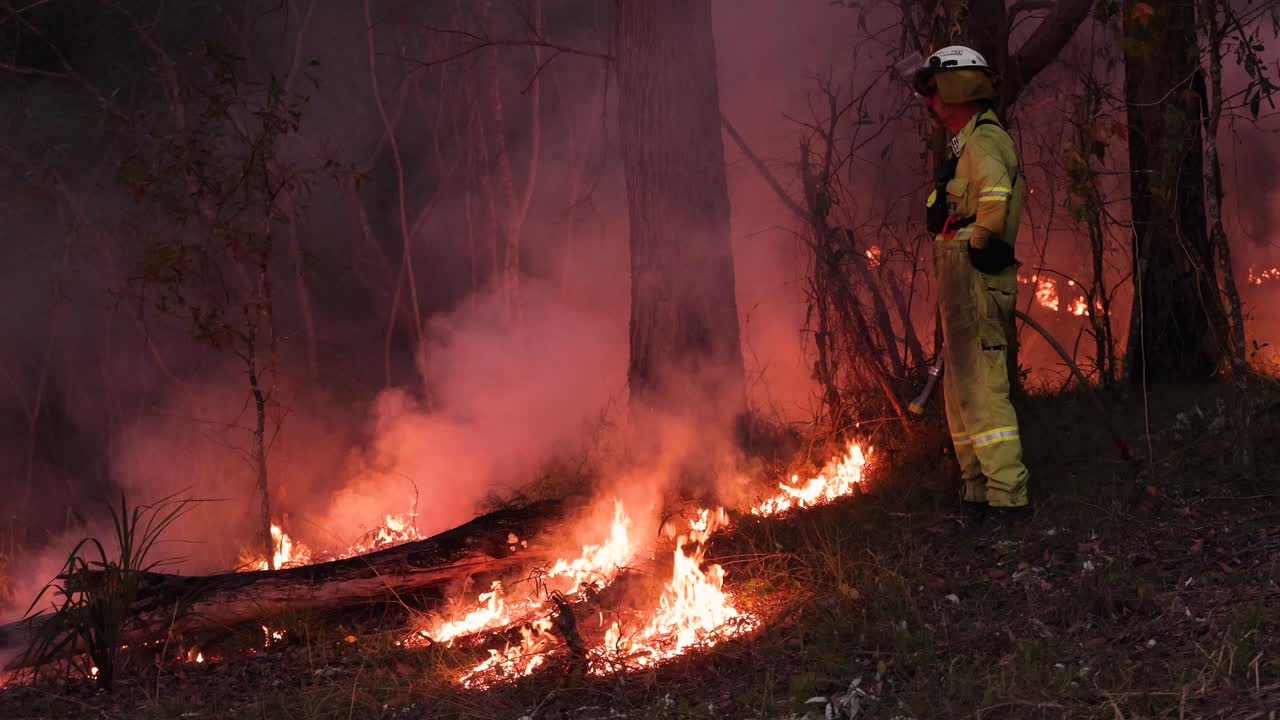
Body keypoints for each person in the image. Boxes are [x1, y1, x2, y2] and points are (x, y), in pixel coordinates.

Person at [912, 46, 1029, 524]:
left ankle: (1008, 498)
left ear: (960, 87)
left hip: (977, 278)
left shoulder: (983, 142)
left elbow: (996, 197)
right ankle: (976, 490)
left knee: (982, 389)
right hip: (959, 280)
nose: (931, 103)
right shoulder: (963, 145)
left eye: (936, 91)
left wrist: (981, 242)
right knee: (960, 392)